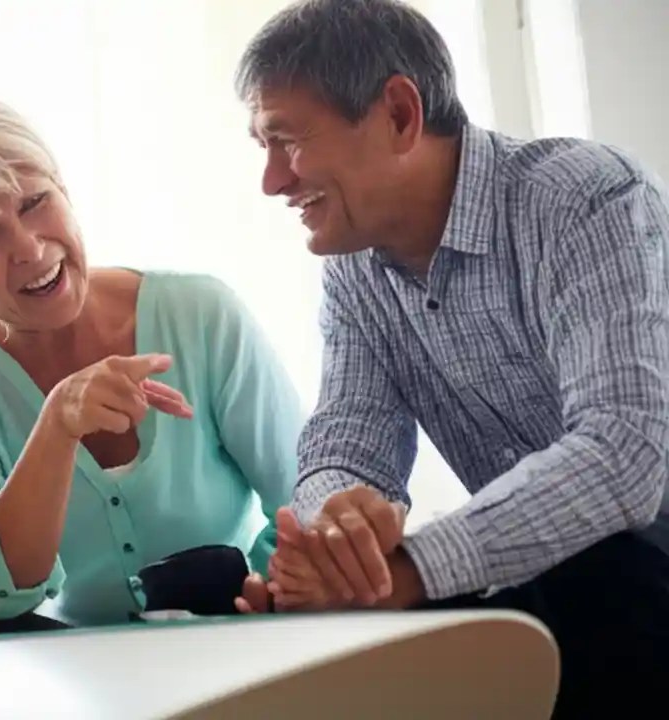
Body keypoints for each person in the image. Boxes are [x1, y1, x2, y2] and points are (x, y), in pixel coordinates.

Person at [234, 0, 669, 715]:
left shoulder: (587, 197)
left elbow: (623, 455)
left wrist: (402, 571)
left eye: (286, 140)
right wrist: (340, 528)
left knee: (598, 576)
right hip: (565, 595)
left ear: (400, 114)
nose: (272, 181)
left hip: (639, 575)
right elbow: (345, 442)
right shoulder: (355, 269)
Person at [0, 92, 301, 636]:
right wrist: (56, 426)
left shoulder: (202, 314)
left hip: (240, 636)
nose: (28, 248)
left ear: (65, 192)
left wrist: (268, 592)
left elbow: (305, 498)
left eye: (33, 203)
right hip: (75, 664)